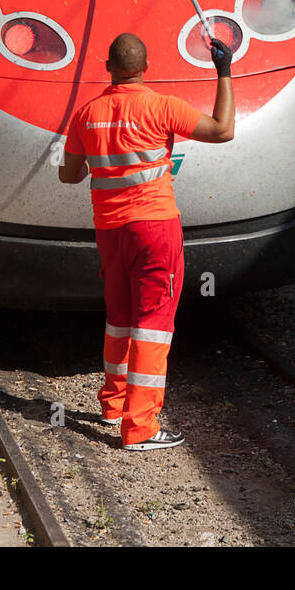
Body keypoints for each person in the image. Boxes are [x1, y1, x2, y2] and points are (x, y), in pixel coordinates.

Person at [60, 31, 235, 451]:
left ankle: (114, 404)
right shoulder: (162, 107)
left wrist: (93, 163)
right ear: (146, 68)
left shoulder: (87, 114)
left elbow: (69, 175)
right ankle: (140, 428)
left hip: (110, 229)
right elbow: (223, 130)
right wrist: (224, 71)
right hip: (155, 227)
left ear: (108, 67)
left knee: (119, 316)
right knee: (154, 323)